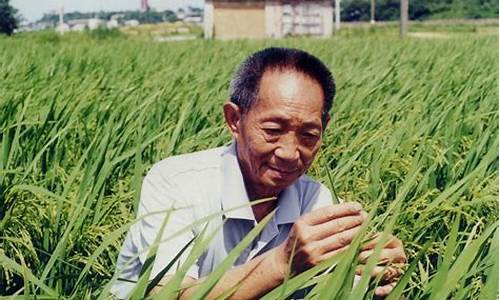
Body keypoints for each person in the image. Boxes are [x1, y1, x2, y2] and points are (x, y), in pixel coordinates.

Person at [111, 47, 406, 299]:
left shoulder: (315, 198)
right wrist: (283, 262)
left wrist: (373, 275)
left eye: (309, 134)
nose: (290, 152)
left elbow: (334, 287)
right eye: (273, 130)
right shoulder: (175, 183)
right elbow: (167, 295)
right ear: (234, 119)